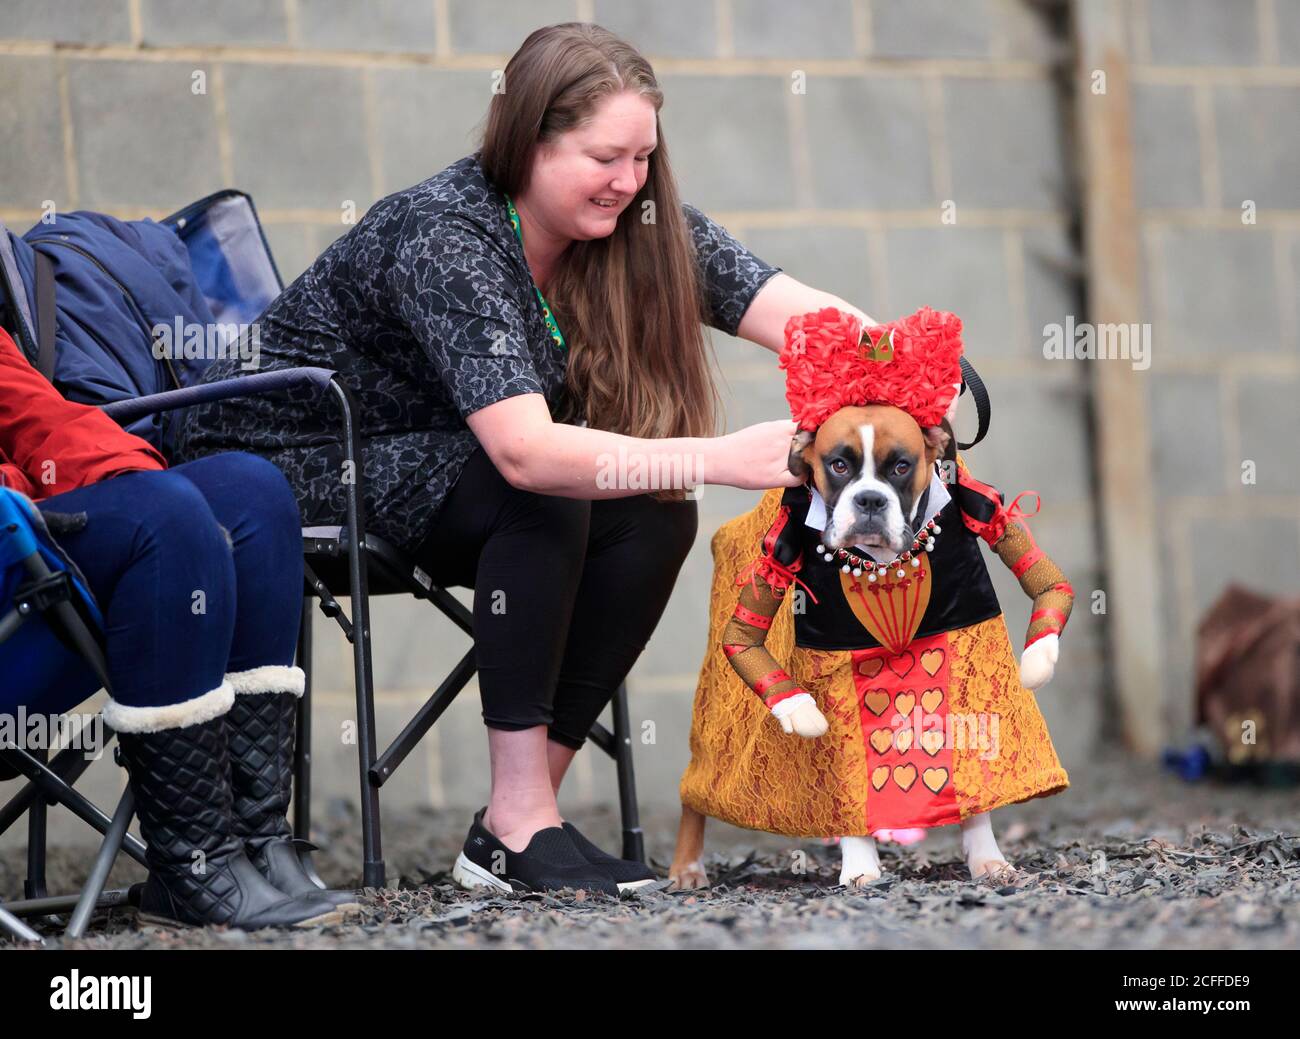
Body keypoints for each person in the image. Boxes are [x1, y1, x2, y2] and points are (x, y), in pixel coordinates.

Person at [175, 22, 880, 895]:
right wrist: (724, 456)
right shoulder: (444, 233)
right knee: (547, 486)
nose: (627, 181)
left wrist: (899, 358)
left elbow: (784, 306)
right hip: (278, 467)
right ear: (529, 142)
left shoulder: (628, 221)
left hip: (428, 464)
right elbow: (523, 451)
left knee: (654, 509)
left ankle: (519, 820)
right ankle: (517, 820)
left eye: (642, 158)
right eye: (602, 157)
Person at [0, 326, 356, 928]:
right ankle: (198, 864)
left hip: (23, 552)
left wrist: (129, 477)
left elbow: (33, 412)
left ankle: (255, 841)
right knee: (163, 521)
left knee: (251, 493)